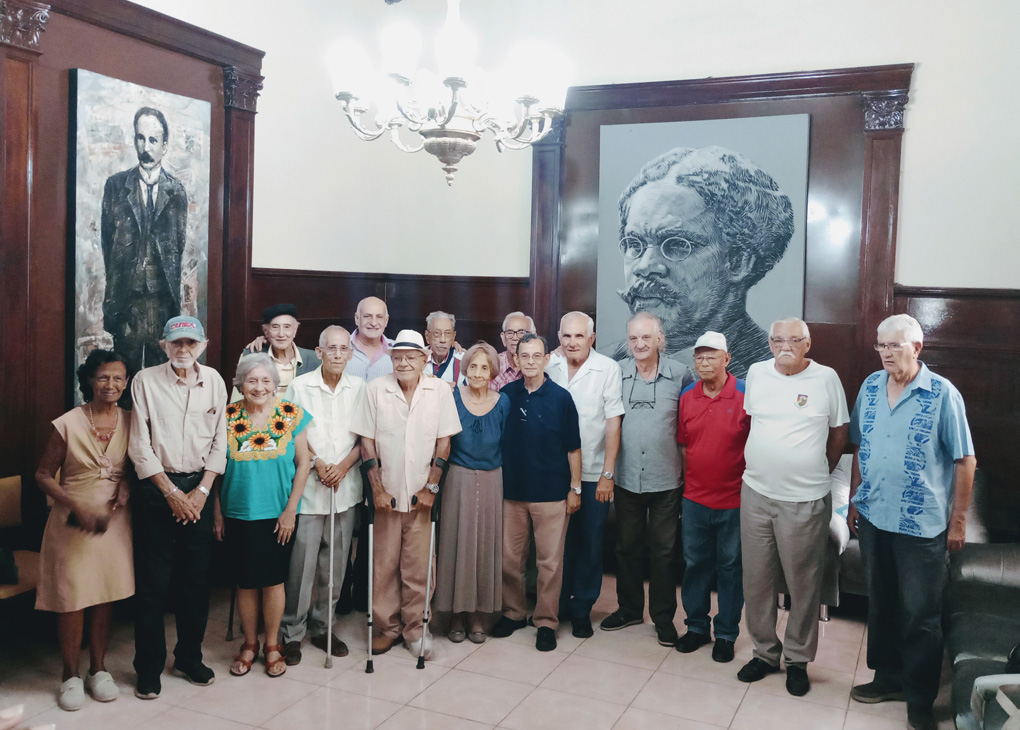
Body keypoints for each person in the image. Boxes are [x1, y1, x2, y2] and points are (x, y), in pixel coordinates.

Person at [847, 314, 976, 730]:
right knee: (881, 603)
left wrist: (958, 524)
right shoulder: (869, 386)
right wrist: (854, 499)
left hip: (920, 525)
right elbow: (860, 447)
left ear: (917, 348)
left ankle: (920, 696)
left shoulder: (941, 394)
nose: (886, 353)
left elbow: (965, 460)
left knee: (920, 614)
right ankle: (886, 678)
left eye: (894, 345)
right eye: (880, 345)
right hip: (873, 515)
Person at [611, 146, 795, 377]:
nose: (644, 266)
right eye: (634, 244)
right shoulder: (608, 364)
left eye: (677, 245)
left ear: (739, 261)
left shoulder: (767, 373)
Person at [737, 317, 848, 696]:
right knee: (757, 580)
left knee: (803, 584)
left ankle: (798, 660)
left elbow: (839, 434)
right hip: (755, 493)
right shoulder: (755, 373)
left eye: (793, 340)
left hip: (805, 499)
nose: (784, 346)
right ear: (769, 343)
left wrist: (815, 471)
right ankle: (765, 653)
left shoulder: (826, 378)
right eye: (777, 340)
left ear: (807, 344)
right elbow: (754, 422)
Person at [128, 316, 227, 699]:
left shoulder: (215, 381)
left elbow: (221, 443)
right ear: (163, 345)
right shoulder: (145, 381)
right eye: (176, 343)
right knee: (153, 586)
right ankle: (148, 667)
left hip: (199, 488)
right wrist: (171, 493)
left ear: (204, 344)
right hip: (157, 489)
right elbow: (139, 445)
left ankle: (189, 657)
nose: (183, 350)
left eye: (190, 343)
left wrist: (201, 492)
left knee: (195, 582)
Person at [351, 329, 461, 660]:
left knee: (418, 567)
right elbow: (366, 441)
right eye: (397, 357)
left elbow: (445, 442)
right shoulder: (375, 389)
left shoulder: (440, 390)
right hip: (385, 496)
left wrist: (432, 488)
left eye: (411, 357)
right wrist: (377, 489)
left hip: (421, 496)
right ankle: (386, 628)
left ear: (424, 359)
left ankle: (416, 630)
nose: (403, 363)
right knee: (383, 566)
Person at [34, 350, 135, 711]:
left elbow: (133, 467)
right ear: (90, 380)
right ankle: (69, 675)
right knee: (73, 599)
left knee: (105, 594)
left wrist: (126, 485)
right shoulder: (68, 423)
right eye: (104, 377)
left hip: (114, 520)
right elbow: (42, 475)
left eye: (119, 378)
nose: (112, 385)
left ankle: (99, 670)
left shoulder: (131, 419)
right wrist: (75, 505)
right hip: (73, 522)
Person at [215, 354, 311, 678]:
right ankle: (250, 643)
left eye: (266, 380)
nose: (259, 387)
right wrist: (217, 514)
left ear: (275, 384)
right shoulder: (225, 416)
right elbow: (213, 470)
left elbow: (304, 464)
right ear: (240, 383)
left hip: (277, 514)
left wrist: (290, 511)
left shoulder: (291, 414)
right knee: (245, 582)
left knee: (273, 581)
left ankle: (272, 644)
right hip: (237, 512)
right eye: (252, 380)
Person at [599, 313, 692, 646]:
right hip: (625, 478)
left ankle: (663, 617)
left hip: (666, 479)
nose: (639, 344)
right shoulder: (617, 374)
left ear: (659, 340)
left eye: (646, 338)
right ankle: (629, 609)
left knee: (665, 552)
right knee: (626, 548)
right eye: (633, 338)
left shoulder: (680, 374)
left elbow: (689, 424)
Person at [279, 326, 365, 665]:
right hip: (310, 487)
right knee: (301, 565)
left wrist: (342, 466)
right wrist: (317, 462)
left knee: (335, 567)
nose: (338, 354)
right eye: (332, 348)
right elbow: (291, 431)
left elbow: (364, 436)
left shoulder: (359, 388)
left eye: (344, 349)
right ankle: (292, 632)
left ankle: (323, 626)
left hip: (345, 485)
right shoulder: (300, 387)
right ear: (319, 350)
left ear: (351, 353)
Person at [492, 333, 582, 652]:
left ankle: (545, 621)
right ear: (515, 360)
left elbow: (574, 448)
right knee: (510, 559)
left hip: (552, 493)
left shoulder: (561, 398)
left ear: (546, 359)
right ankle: (514, 613)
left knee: (549, 563)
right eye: (524, 356)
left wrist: (575, 488)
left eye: (536, 356)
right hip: (512, 493)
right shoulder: (505, 395)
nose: (530, 361)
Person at [674, 331, 750, 663]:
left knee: (732, 568)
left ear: (727, 359)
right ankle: (696, 627)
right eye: (699, 357)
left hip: (735, 501)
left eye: (711, 357)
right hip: (694, 500)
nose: (704, 363)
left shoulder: (747, 395)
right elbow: (683, 444)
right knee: (695, 565)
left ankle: (727, 634)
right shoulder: (687, 397)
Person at [547, 312, 624, 638]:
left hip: (594, 474)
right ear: (560, 337)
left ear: (592, 337)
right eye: (566, 336)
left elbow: (613, 422)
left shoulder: (608, 368)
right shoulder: (549, 366)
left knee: (590, 544)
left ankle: (582, 608)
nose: (572, 342)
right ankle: (558, 605)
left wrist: (608, 473)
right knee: (557, 545)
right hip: (553, 474)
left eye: (579, 336)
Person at [101, 107, 188, 374]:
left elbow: (178, 246)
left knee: (159, 376)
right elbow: (108, 243)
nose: (145, 147)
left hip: (162, 302)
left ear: (164, 145)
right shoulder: (116, 186)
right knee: (122, 375)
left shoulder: (176, 191)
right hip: (127, 301)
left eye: (153, 140)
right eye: (140, 138)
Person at [435, 342, 510, 643]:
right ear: (466, 368)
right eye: (474, 366)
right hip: (458, 477)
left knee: (484, 545)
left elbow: (505, 442)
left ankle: (478, 613)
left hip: (493, 477)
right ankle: (455, 612)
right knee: (457, 543)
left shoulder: (502, 401)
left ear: (493, 370)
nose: (478, 373)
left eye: (485, 367)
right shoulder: (452, 396)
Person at [236, 303, 318, 398]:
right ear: (266, 331)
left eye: (287, 327)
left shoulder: (314, 359)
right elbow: (237, 401)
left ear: (295, 331)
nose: (281, 334)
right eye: (275, 327)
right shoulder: (251, 356)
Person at [346, 296, 394, 381]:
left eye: (379, 317)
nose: (373, 323)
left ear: (386, 321)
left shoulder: (398, 350)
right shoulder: (338, 347)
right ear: (357, 318)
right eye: (367, 316)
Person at [492, 311, 537, 391]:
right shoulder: (492, 364)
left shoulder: (540, 364)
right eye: (510, 333)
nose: (515, 338)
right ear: (503, 338)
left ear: (533, 337)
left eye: (521, 333)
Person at [424, 311, 464, 385]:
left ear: (453, 337)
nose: (443, 340)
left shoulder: (463, 361)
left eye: (448, 333)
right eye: (437, 333)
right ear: (427, 336)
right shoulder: (417, 359)